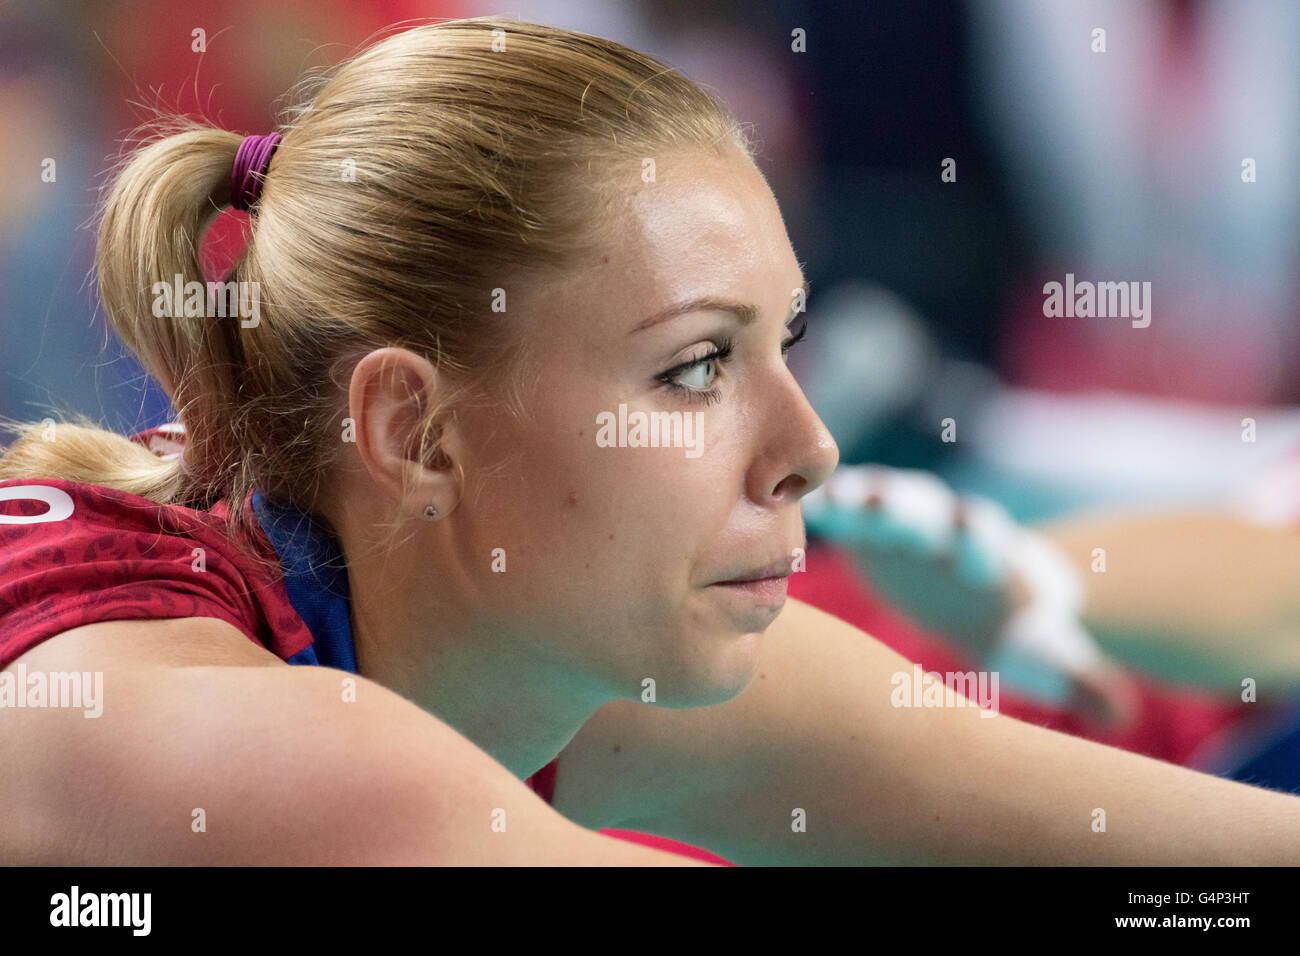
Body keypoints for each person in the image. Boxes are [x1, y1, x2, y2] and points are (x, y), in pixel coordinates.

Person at [2, 16, 1299, 866]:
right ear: (414, 430)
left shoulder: (553, 626)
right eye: (695, 368)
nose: (811, 447)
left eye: (779, 346)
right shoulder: (232, 751)